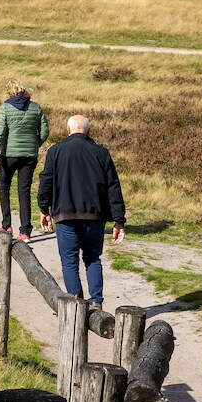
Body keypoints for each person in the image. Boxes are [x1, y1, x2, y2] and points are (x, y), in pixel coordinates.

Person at [37, 114, 126, 306]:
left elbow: (46, 182)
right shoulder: (101, 153)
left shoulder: (56, 151)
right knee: (93, 259)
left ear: (68, 130)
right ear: (88, 131)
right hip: (95, 217)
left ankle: (77, 305)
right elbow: (113, 187)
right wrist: (119, 220)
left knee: (69, 263)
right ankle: (96, 301)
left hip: (65, 216)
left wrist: (44, 209)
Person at [0, 82, 48, 241]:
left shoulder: (5, 108)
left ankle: (6, 224)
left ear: (9, 93)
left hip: (8, 155)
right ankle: (25, 231)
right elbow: (44, 132)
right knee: (24, 190)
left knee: (4, 186)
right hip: (29, 156)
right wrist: (34, 145)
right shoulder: (36, 107)